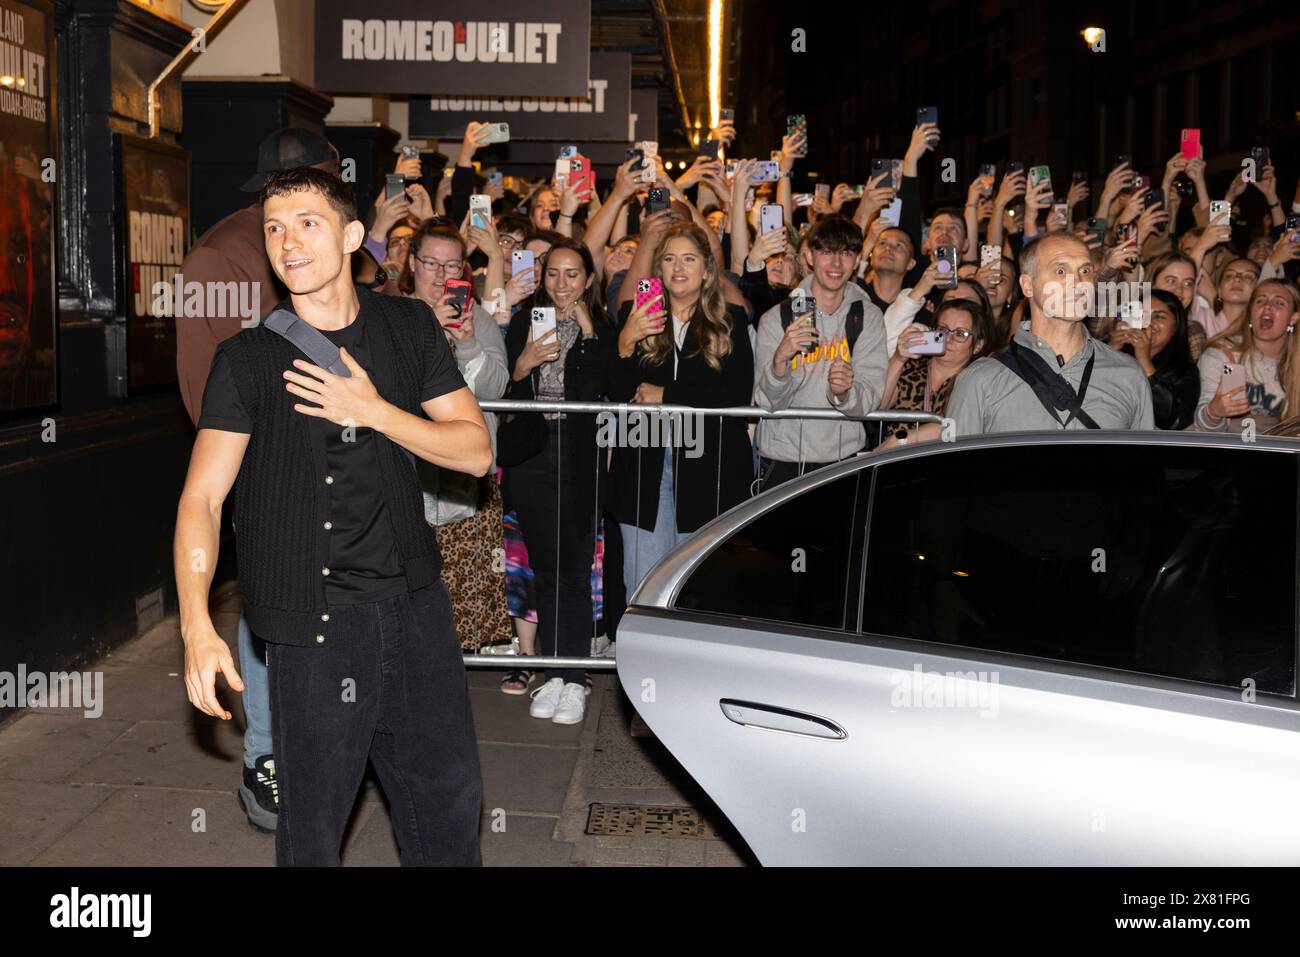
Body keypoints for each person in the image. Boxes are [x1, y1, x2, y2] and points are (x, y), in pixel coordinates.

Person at [175, 167, 491, 866]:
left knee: (447, 813)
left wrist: (374, 411)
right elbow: (201, 498)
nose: (288, 242)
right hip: (312, 630)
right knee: (312, 831)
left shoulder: (407, 326)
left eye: (307, 223)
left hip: (414, 612)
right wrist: (197, 625)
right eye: (274, 229)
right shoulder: (248, 359)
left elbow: (473, 452)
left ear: (352, 235)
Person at [173, 126, 338, 833]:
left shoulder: (275, 245)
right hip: (262, 462)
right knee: (271, 598)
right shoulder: (222, 254)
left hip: (326, 457)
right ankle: (268, 754)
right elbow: (201, 385)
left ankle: (311, 742)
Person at [499, 238, 614, 725]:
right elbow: (505, 384)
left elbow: (600, 389)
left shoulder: (605, 329)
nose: (562, 284)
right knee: (544, 567)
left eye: (572, 274)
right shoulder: (526, 320)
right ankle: (552, 671)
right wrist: (524, 363)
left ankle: (574, 674)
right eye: (553, 274)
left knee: (574, 567)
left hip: (579, 453)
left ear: (588, 279)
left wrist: (587, 336)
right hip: (532, 453)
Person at [608, 223, 755, 595]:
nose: (678, 267)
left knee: (701, 583)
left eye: (689, 259)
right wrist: (625, 343)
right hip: (643, 467)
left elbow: (735, 393)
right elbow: (611, 391)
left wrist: (666, 395)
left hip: (711, 467)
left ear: (707, 270)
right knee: (643, 584)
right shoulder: (634, 313)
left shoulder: (730, 320)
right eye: (669, 258)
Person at [402, 219, 511, 652]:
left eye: (452, 265)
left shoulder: (478, 319)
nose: (442, 275)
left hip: (461, 485)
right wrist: (426, 324)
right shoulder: (388, 315)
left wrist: (465, 342)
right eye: (431, 263)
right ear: (412, 264)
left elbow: (497, 389)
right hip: (405, 477)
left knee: (457, 605)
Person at [946, 233, 1154, 436]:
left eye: (1085, 270)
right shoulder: (980, 380)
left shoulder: (1128, 374)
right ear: (1028, 286)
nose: (1078, 283)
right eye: (1061, 271)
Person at [753, 216, 887, 488]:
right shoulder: (776, 318)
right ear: (808, 257)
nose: (836, 264)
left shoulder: (868, 316)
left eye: (846, 253)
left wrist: (844, 393)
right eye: (826, 252)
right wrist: (780, 361)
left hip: (843, 460)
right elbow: (767, 403)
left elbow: (871, 397)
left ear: (857, 259)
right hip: (782, 460)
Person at [880, 298, 994, 445]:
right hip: (895, 462)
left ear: (978, 345)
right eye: (943, 330)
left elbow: (956, 425)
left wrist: (899, 440)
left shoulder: (976, 380)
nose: (948, 339)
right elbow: (880, 404)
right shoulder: (911, 366)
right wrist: (898, 358)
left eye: (961, 334)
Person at [1194, 279, 1299, 432]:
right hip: (1225, 450)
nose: (1267, 306)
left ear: (1293, 318)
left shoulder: (1296, 365)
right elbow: (1203, 430)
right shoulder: (1225, 355)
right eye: (1260, 301)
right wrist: (1214, 412)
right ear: (1250, 313)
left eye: (1279, 303)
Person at [1109, 289, 1199, 430]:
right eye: (1142, 314)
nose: (1148, 322)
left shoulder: (1186, 370)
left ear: (1175, 327)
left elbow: (1170, 419)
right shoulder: (1109, 349)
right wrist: (1109, 353)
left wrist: (1144, 360)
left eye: (1159, 317)